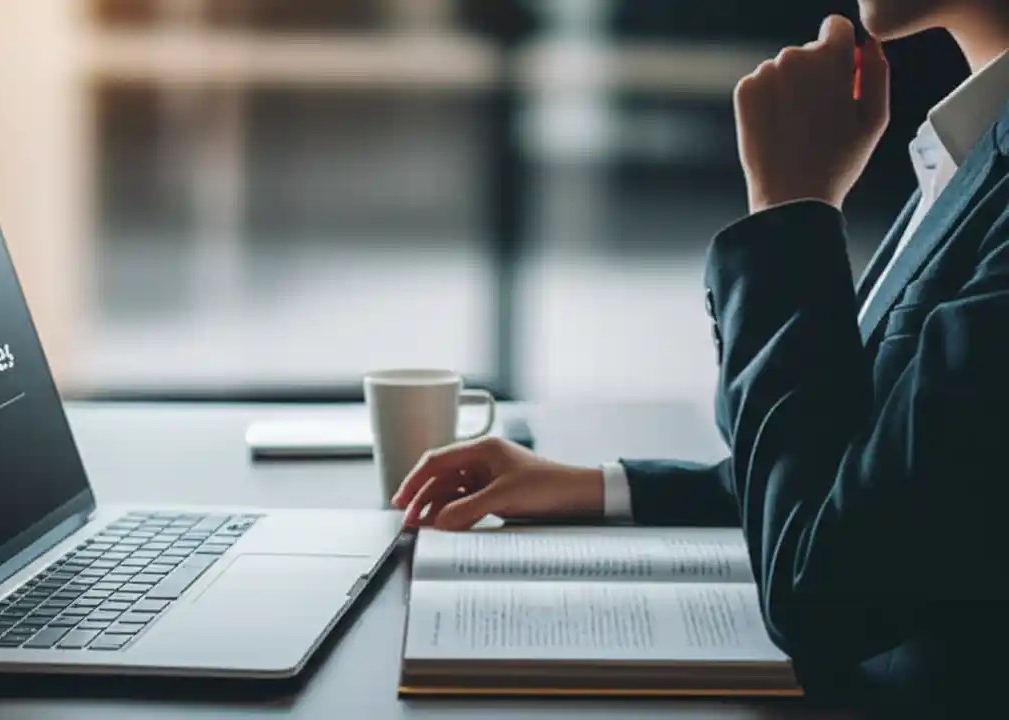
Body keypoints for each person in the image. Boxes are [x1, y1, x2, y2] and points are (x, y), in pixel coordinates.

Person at [392, 0, 1009, 710]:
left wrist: (790, 207)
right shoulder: (974, 146)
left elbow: (827, 591)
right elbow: (877, 480)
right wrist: (599, 487)